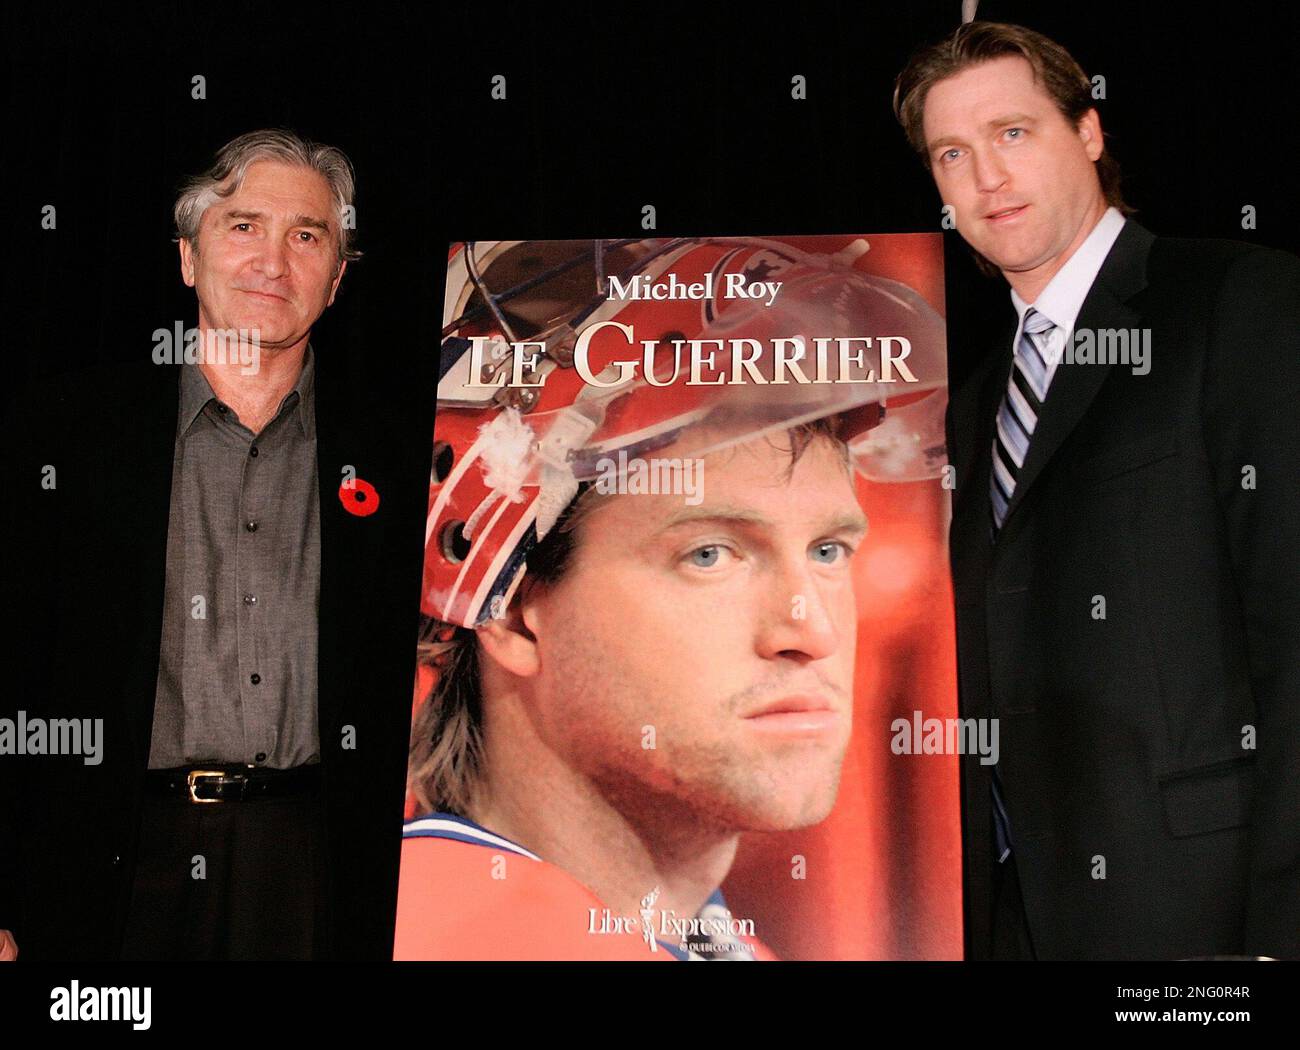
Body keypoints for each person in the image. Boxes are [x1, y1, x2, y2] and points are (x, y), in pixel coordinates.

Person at [397, 236, 949, 959]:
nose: (811, 631)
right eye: (710, 555)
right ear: (511, 611)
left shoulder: (699, 943)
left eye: (827, 551)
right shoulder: (470, 936)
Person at [893, 21, 1299, 959]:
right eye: (952, 153)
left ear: (1088, 132)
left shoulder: (1236, 301)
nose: (986, 177)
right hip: (1019, 920)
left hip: (1207, 918)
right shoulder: (964, 403)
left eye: (1013, 133)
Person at [0, 128, 421, 960]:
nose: (274, 259)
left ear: (337, 280)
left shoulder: (408, 458)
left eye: (308, 236)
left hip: (323, 882)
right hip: (108, 877)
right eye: (243, 226)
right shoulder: (62, 438)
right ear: (189, 258)